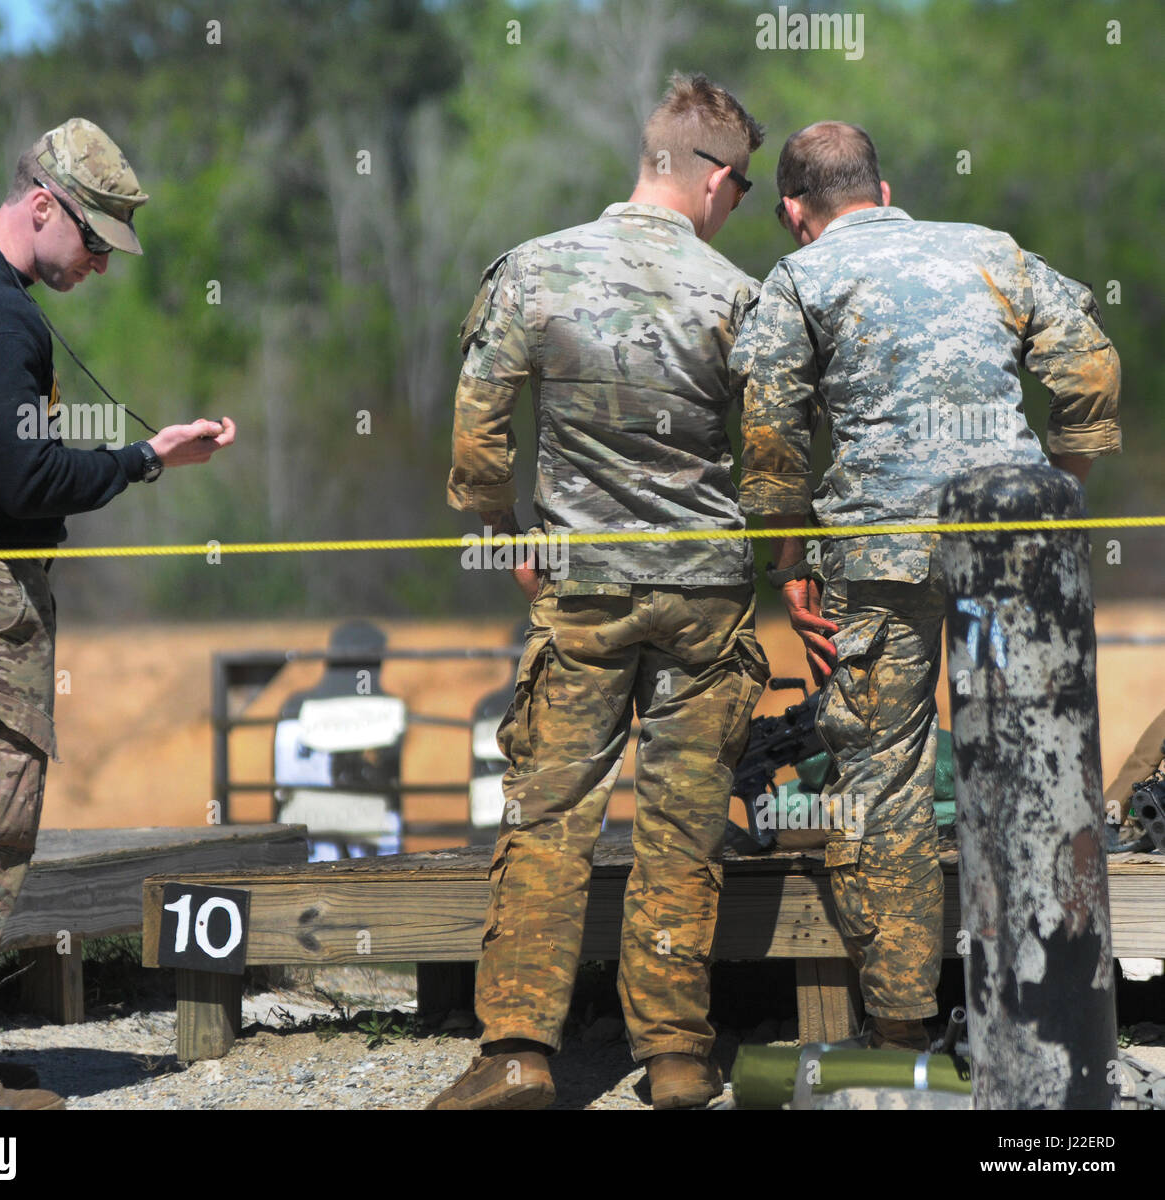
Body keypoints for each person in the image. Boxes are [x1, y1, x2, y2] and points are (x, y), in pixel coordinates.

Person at [0, 117, 235, 1108]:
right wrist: (146, 458)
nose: (100, 268)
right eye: (96, 244)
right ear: (43, 207)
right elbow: (25, 477)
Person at [734, 121, 1121, 1049]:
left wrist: (786, 566)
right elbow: (1091, 364)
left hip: (880, 559)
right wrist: (1059, 485)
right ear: (886, 186)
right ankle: (1049, 1018)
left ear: (795, 210)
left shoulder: (800, 277)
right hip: (1014, 549)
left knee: (886, 779)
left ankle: (903, 1028)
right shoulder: (992, 251)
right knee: (1033, 769)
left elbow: (770, 432)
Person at [429, 73, 770, 1110]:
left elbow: (477, 437)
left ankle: (521, 1051)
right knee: (683, 825)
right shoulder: (735, 298)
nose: (739, 203)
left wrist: (507, 536)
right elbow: (772, 463)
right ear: (709, 174)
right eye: (743, 185)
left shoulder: (533, 274)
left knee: (549, 816)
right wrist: (768, 557)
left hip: (582, 592)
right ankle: (672, 1054)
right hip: (705, 597)